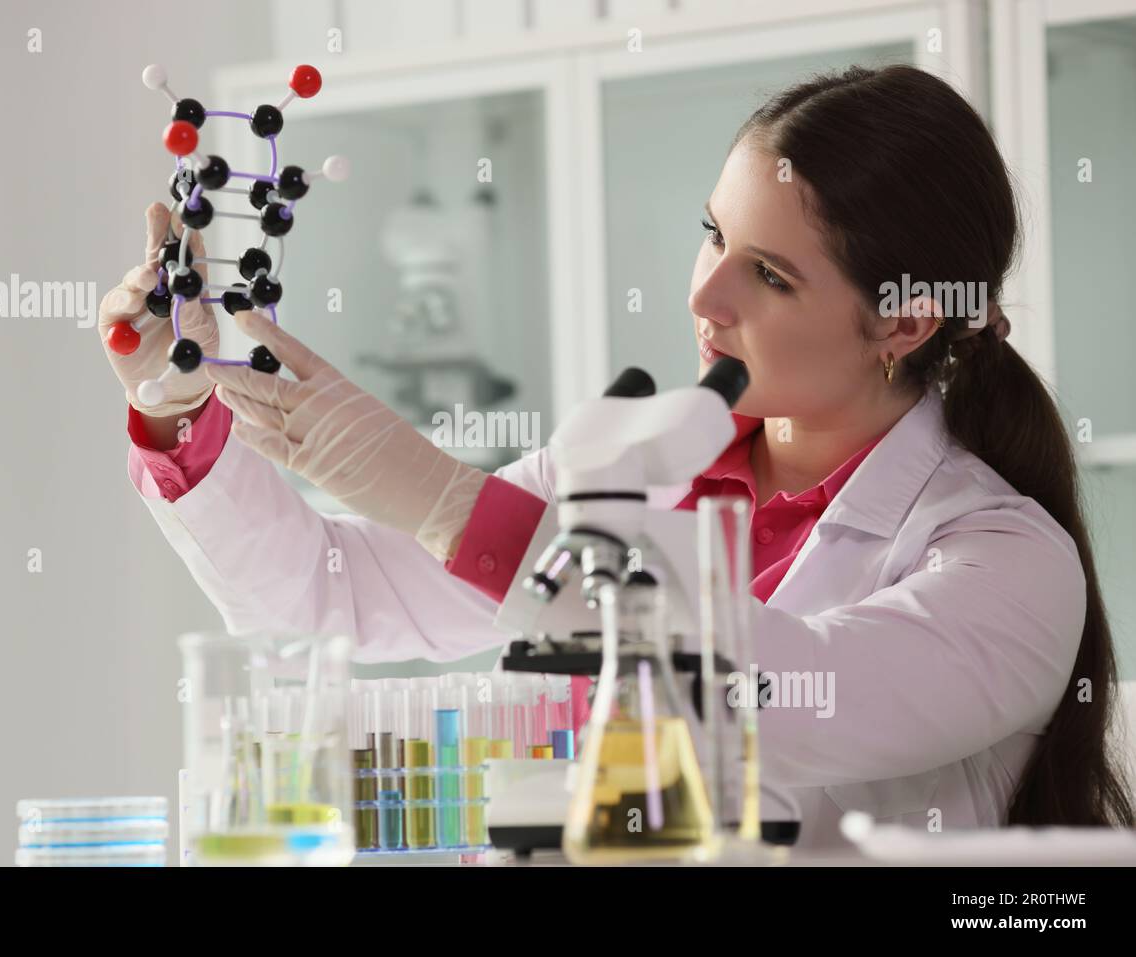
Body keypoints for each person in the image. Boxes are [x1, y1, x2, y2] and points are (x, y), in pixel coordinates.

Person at [98, 64, 1132, 845]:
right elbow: (326, 602)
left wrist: (456, 505)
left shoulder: (1003, 560)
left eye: (768, 274)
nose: (703, 295)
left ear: (903, 323)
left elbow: (773, 697)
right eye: (710, 235)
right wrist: (177, 408)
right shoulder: (632, 471)